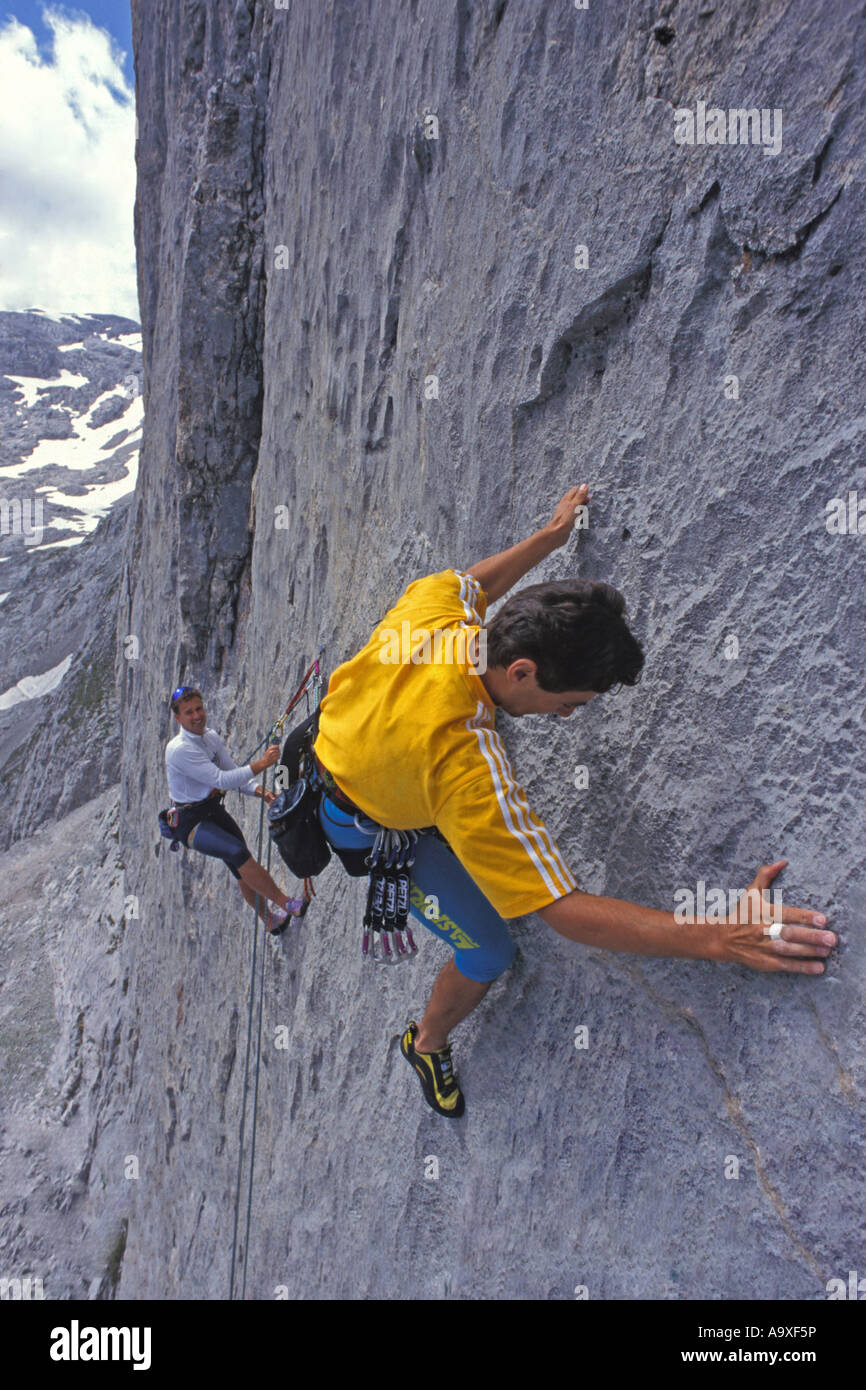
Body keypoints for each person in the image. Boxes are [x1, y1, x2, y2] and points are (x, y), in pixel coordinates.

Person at [312, 484, 838, 1117]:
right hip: (367, 826)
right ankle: (425, 1042)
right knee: (490, 949)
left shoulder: (432, 610)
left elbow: (472, 583)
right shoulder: (468, 774)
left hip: (350, 745)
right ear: (522, 671)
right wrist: (720, 937)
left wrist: (551, 537)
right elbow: (560, 908)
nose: (564, 718)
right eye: (567, 706)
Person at [165, 687, 305, 934]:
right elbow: (221, 780)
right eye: (189, 712)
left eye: (199, 708)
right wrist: (262, 764)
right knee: (237, 852)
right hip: (190, 822)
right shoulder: (179, 750)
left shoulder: (210, 738)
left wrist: (262, 793)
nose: (197, 715)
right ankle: (287, 903)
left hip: (211, 810)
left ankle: (271, 921)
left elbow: (232, 773)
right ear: (178, 718)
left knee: (239, 866)